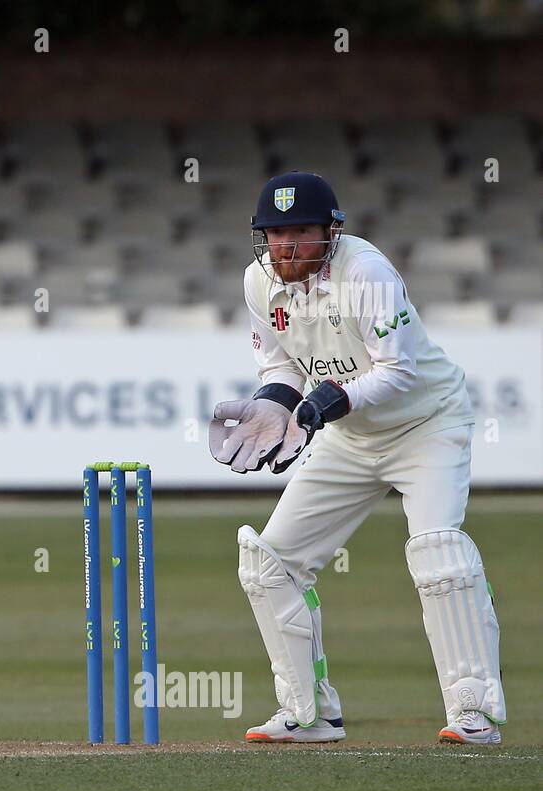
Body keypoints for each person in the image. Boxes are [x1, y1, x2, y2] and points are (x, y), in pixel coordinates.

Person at [208, 171, 505, 746]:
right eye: (274, 234)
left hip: (426, 426)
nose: (286, 246)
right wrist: (277, 403)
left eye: (300, 232)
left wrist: (328, 399)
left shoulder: (364, 272)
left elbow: (399, 371)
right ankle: (309, 712)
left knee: (438, 554)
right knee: (270, 564)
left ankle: (475, 712)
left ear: (331, 231)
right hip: (349, 437)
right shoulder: (257, 282)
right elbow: (281, 363)